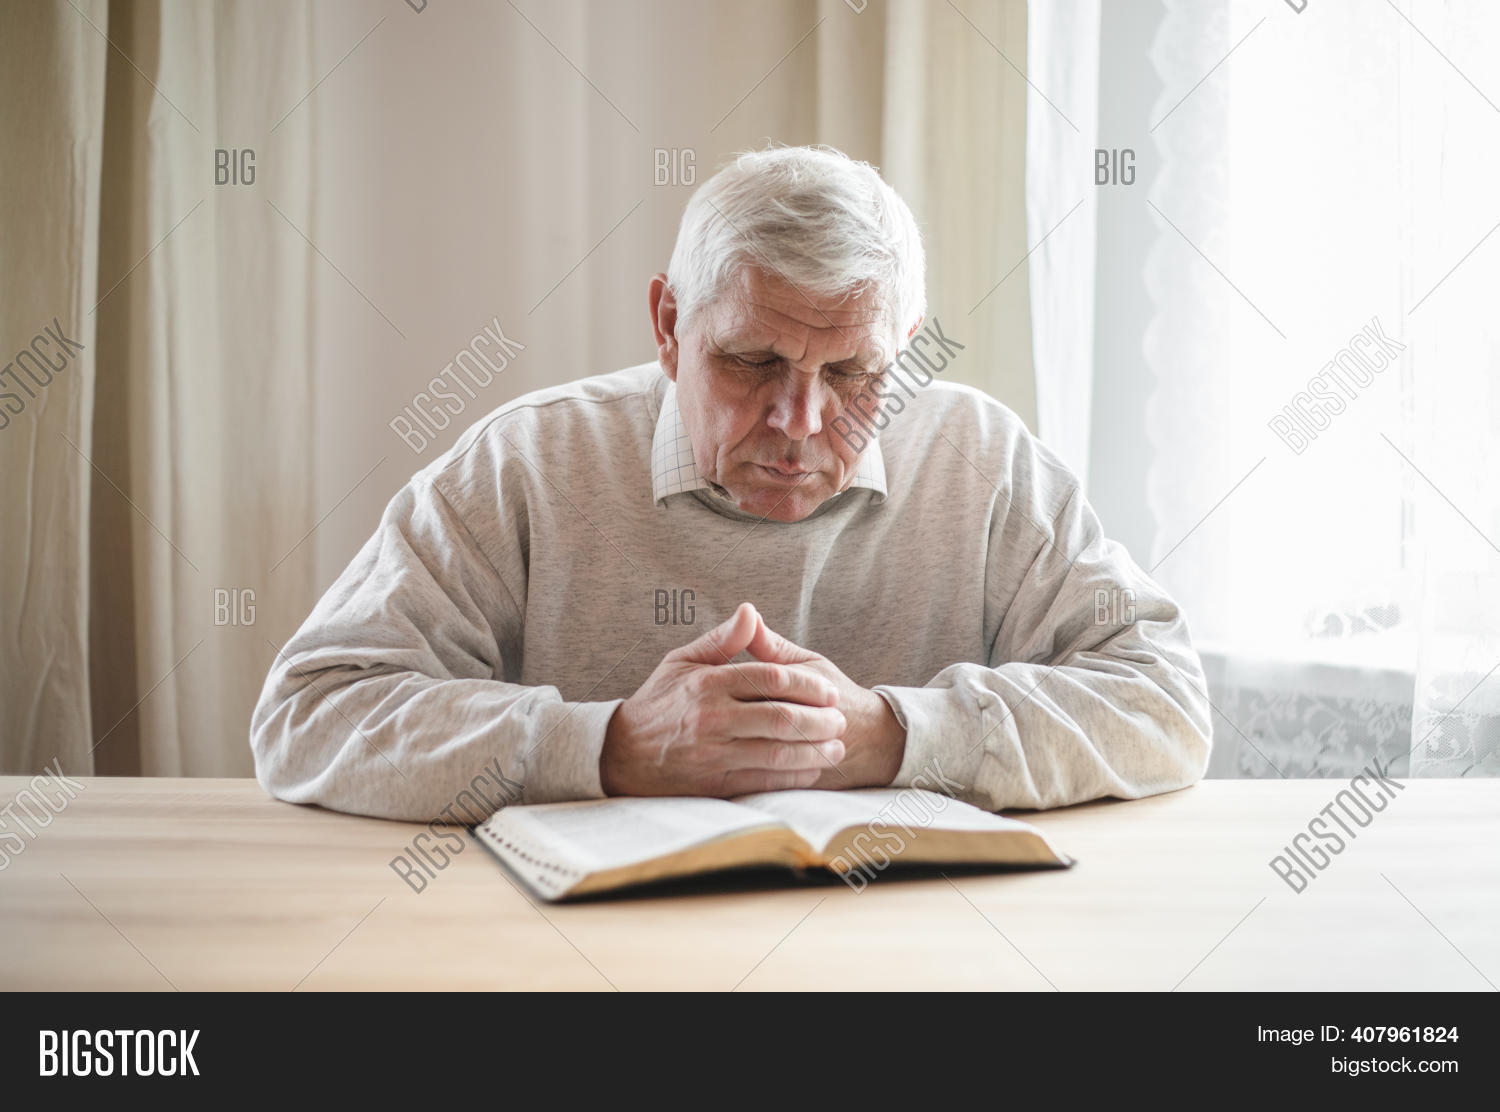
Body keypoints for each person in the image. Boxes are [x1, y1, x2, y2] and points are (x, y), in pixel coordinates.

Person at [251, 144, 1211, 821]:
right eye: (752, 362)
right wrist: (612, 746)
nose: (798, 427)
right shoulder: (528, 464)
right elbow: (310, 712)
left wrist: (892, 736)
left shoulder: (983, 461)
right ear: (669, 327)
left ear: (906, 355)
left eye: (851, 376)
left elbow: (1164, 702)